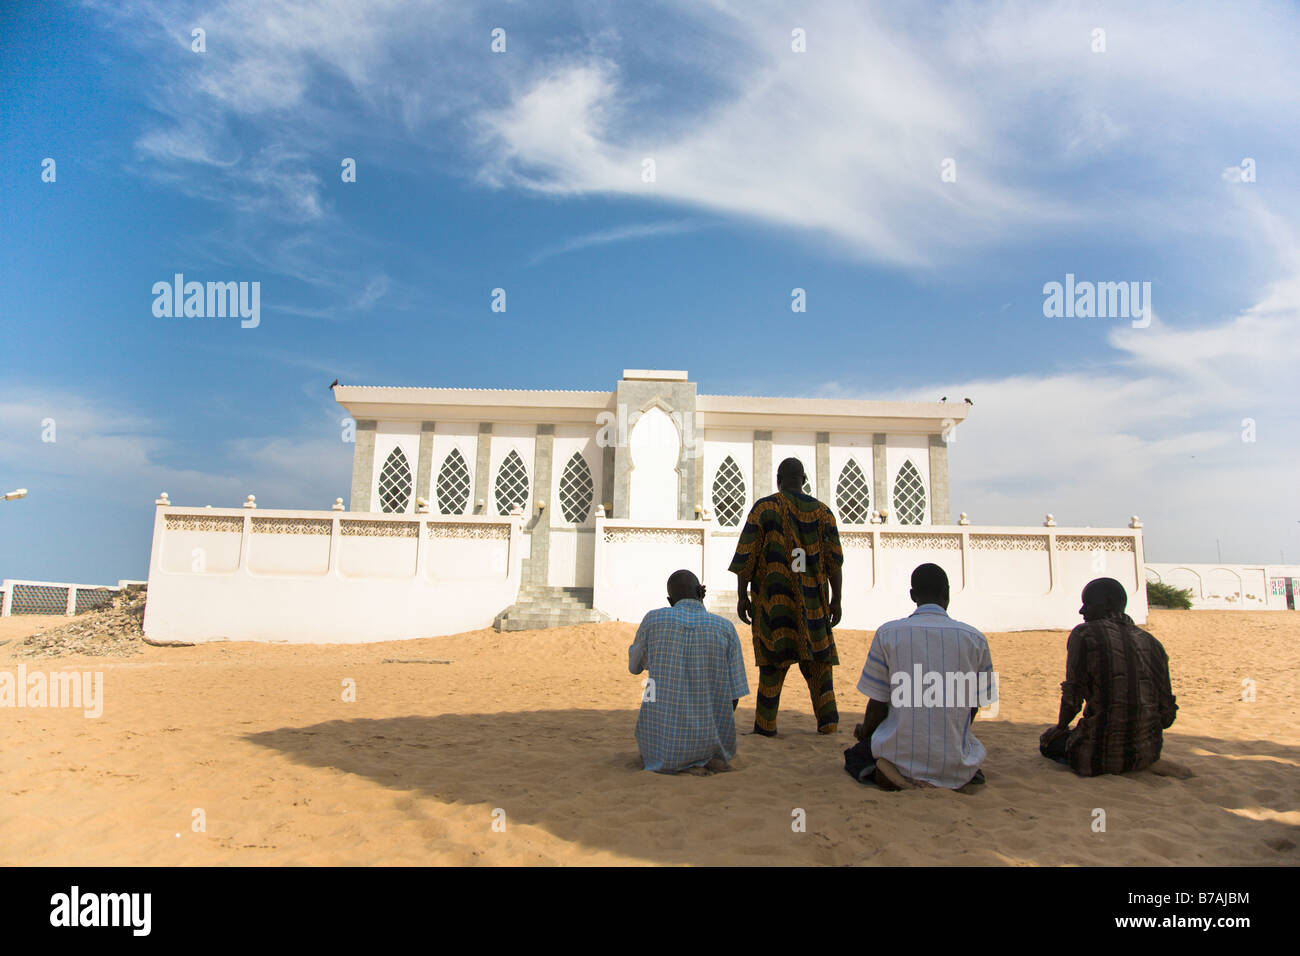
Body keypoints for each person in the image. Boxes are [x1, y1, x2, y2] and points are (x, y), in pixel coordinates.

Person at [845, 563, 994, 791]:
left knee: (855, 756)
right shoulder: (976, 639)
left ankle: (891, 776)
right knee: (972, 762)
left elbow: (878, 704)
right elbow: (976, 705)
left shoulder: (888, 634)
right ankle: (955, 776)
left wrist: (865, 732)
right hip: (953, 757)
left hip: (899, 753)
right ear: (947, 593)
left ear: (913, 595)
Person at [729, 457, 843, 736]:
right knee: (819, 669)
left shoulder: (765, 509)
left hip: (773, 606)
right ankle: (827, 724)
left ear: (779, 478)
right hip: (813, 606)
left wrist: (742, 595)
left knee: (772, 665)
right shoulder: (824, 513)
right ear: (803, 479)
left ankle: (766, 725)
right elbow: (834, 563)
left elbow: (747, 554)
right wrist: (837, 599)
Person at [1039, 577, 1181, 777]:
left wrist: (1060, 728)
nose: (1082, 611)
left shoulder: (1085, 634)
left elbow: (1072, 696)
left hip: (1097, 755)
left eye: (1087, 604)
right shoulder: (1152, 642)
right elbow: (1167, 715)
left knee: (1048, 742)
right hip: (1147, 753)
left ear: (1105, 604)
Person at [628, 570, 750, 774]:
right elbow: (734, 696)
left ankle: (681, 763)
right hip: (712, 743)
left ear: (670, 600)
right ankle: (703, 757)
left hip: (664, 747)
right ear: (700, 592)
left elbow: (634, 668)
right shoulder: (725, 628)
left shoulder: (653, 620)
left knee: (651, 692)